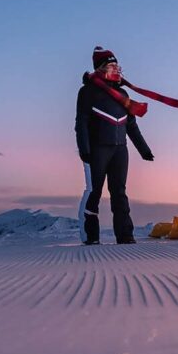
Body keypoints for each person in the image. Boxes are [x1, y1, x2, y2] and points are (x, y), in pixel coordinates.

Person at [75, 47, 154, 245]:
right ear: (100, 68)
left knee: (119, 191)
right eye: (110, 65)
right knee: (94, 191)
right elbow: (81, 122)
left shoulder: (122, 93)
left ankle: (125, 235)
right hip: (96, 149)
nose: (115, 69)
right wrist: (84, 149)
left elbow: (131, 125)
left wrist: (144, 149)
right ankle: (90, 236)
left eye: (116, 65)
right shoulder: (87, 92)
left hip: (120, 149)